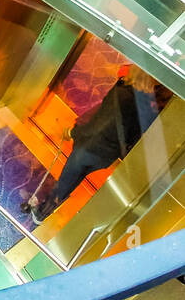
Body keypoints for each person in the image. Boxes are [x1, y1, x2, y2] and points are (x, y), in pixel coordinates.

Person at [23, 65, 168, 225]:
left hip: (89, 148)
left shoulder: (123, 92)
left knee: (67, 178)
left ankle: (41, 213)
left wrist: (73, 133)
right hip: (107, 155)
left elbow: (99, 124)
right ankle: (55, 201)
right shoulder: (152, 105)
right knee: (77, 176)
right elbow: (135, 133)